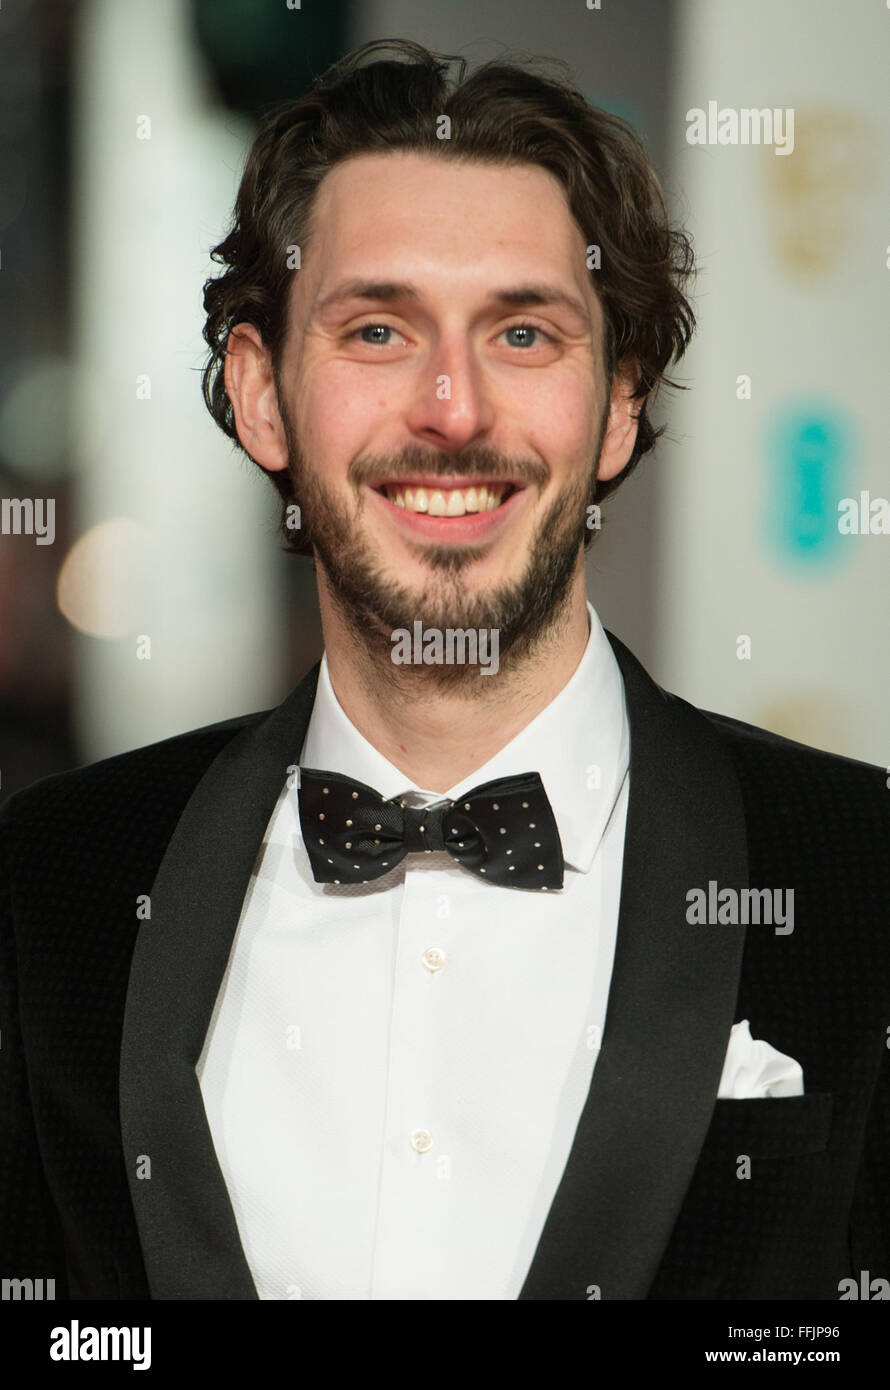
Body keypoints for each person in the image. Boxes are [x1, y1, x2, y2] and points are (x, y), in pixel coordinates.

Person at [1, 38, 887, 1303]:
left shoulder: (862, 871)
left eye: (522, 332)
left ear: (618, 403)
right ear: (260, 393)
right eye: (375, 328)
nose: (451, 407)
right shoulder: (52, 883)